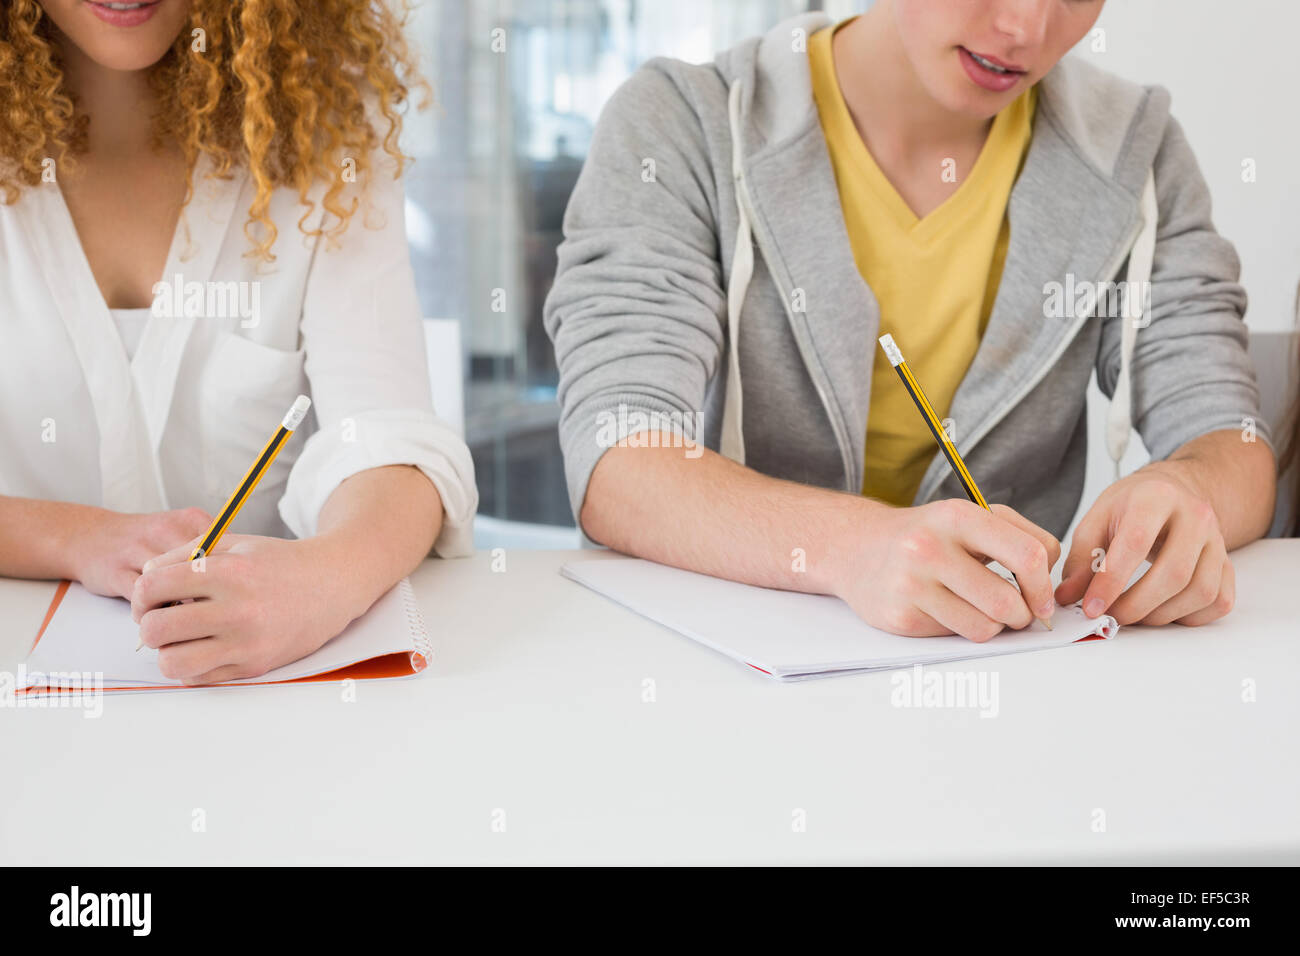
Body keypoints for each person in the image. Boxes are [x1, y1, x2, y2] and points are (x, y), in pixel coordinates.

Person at [544, 1, 1276, 641]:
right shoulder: (684, 122)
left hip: (1011, 677)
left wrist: (1190, 493)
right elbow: (619, 458)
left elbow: (1231, 441)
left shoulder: (1137, 155)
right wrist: (850, 547)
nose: (1025, 26)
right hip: (730, 673)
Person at [0, 0, 476, 683]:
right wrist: (70, 535)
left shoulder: (321, 112)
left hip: (262, 704)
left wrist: (325, 580)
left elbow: (387, 438)